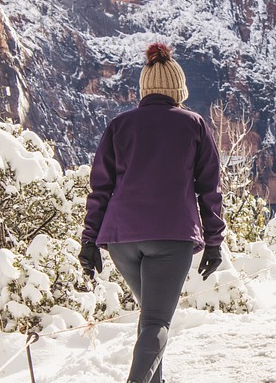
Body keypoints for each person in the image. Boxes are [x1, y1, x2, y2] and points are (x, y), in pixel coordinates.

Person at [78, 43, 226, 383]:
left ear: (145, 89)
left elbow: (100, 187)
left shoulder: (119, 125)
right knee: (157, 322)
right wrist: (214, 243)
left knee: (150, 322)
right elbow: (209, 190)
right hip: (171, 238)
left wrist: (89, 242)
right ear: (178, 89)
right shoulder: (194, 125)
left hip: (121, 240)